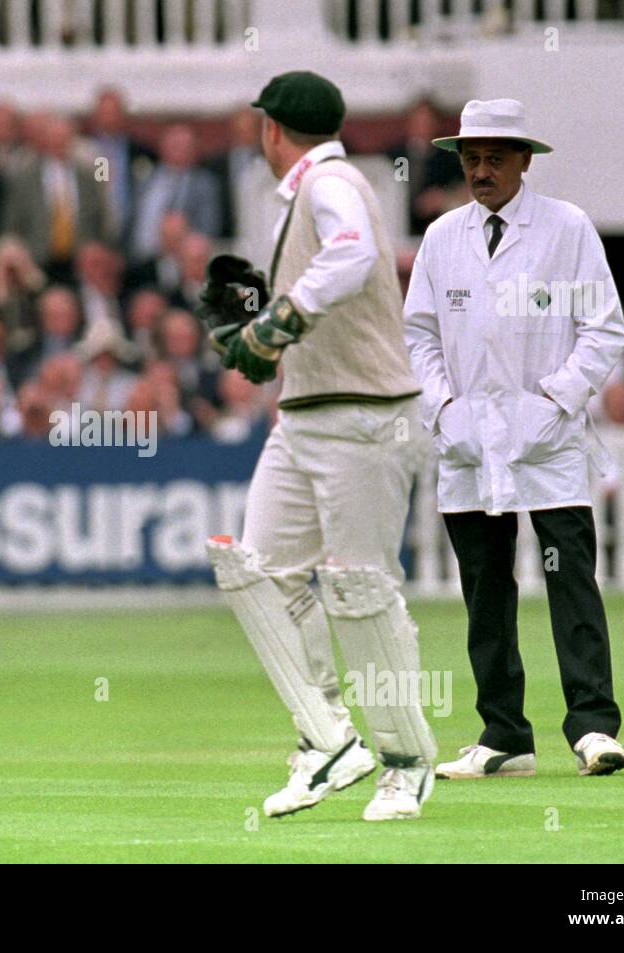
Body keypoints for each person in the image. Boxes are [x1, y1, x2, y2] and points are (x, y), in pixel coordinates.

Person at [205, 72, 437, 822]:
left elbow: (354, 253)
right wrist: (263, 337)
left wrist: (278, 320)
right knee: (263, 573)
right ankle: (329, 738)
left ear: (272, 129)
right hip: (304, 416)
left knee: (361, 589)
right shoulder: (310, 190)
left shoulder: (331, 181)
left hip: (367, 415)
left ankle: (406, 762)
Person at [403, 99, 624, 781]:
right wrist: (443, 407)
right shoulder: (443, 237)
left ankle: (593, 726)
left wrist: (555, 398)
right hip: (467, 441)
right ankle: (504, 733)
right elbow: (418, 334)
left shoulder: (566, 228)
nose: (481, 169)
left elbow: (604, 329)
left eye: (495, 157)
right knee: (486, 588)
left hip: (549, 438)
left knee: (570, 582)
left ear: (524, 159)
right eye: (471, 158)